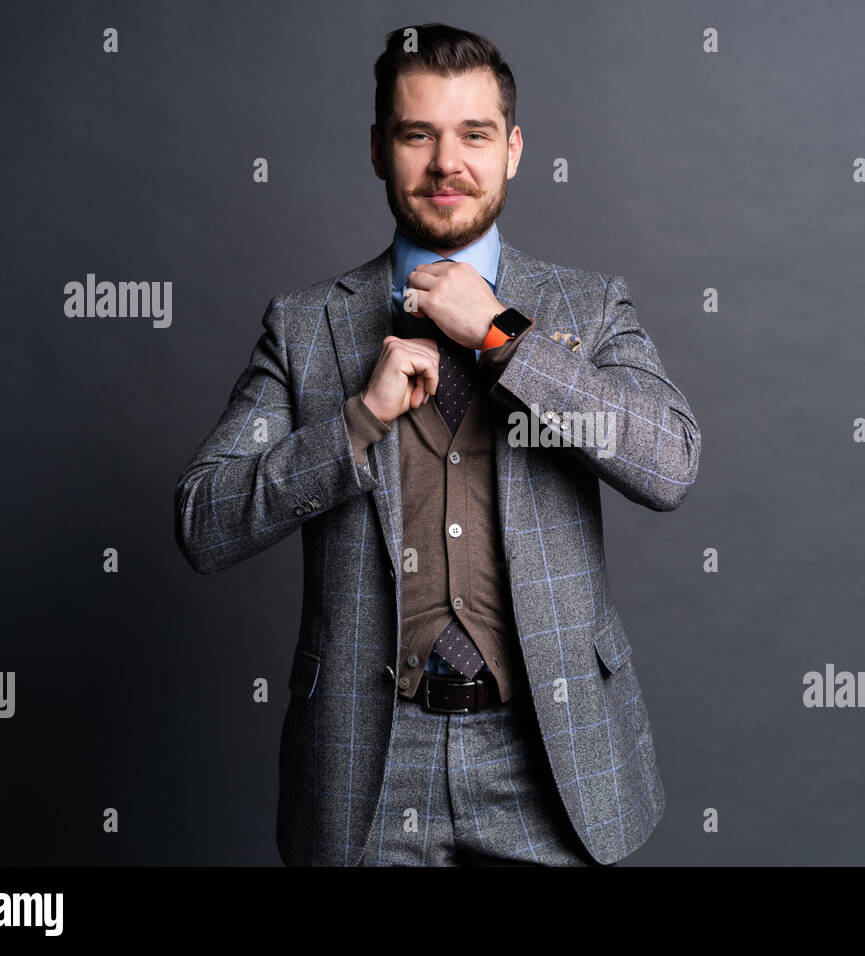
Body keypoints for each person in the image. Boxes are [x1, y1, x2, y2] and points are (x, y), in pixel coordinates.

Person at [173, 22, 701, 866]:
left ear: (514, 150)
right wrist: (356, 422)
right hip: (371, 767)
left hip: (549, 757)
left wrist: (504, 338)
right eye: (418, 134)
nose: (446, 162)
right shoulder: (307, 327)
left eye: (474, 135)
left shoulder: (590, 307)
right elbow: (204, 521)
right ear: (380, 149)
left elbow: (670, 461)